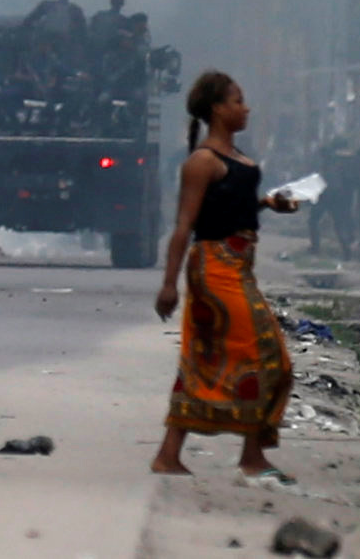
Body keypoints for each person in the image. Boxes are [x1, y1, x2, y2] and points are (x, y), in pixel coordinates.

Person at [152, 70, 300, 481]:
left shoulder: (236, 160)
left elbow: (232, 211)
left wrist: (268, 205)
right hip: (214, 269)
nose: (245, 107)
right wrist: (169, 284)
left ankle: (170, 455)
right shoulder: (202, 162)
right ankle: (252, 458)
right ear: (217, 109)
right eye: (237, 101)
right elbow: (185, 225)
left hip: (238, 267)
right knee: (268, 354)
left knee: (204, 359)